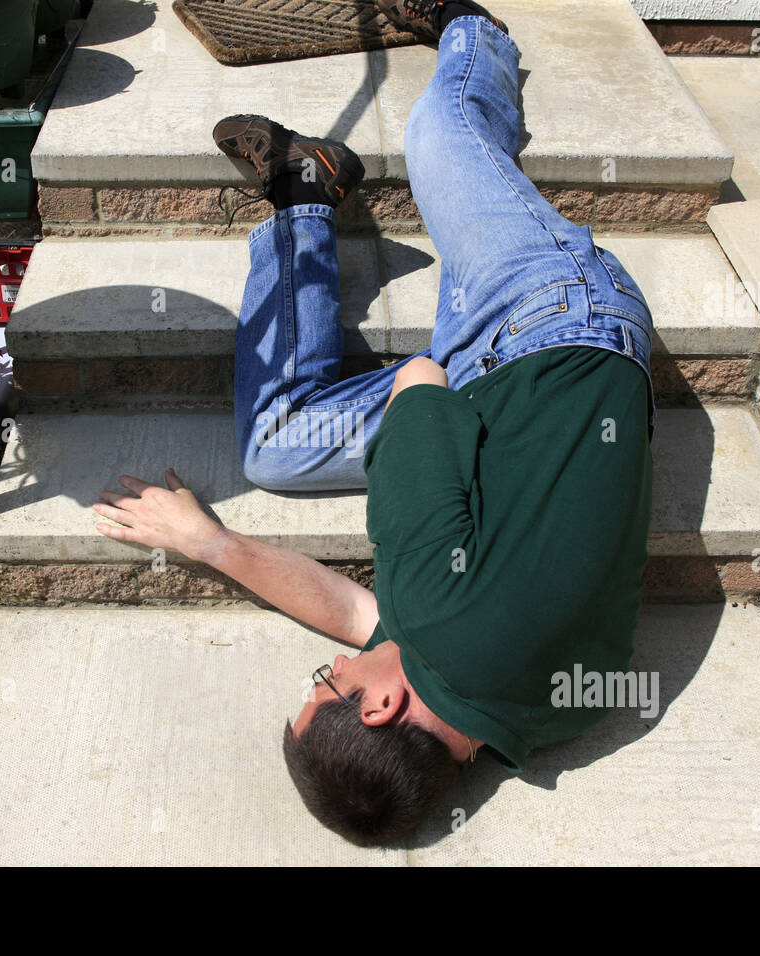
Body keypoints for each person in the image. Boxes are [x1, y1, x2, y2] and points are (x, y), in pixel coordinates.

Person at [91, 0, 657, 847]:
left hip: (526, 398)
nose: (340, 664)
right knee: (439, 132)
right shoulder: (433, 613)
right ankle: (471, 30)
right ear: (383, 704)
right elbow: (423, 379)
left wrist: (212, 545)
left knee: (275, 450)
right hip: (550, 312)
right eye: (329, 682)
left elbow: (362, 618)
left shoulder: (540, 719)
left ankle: (305, 194)